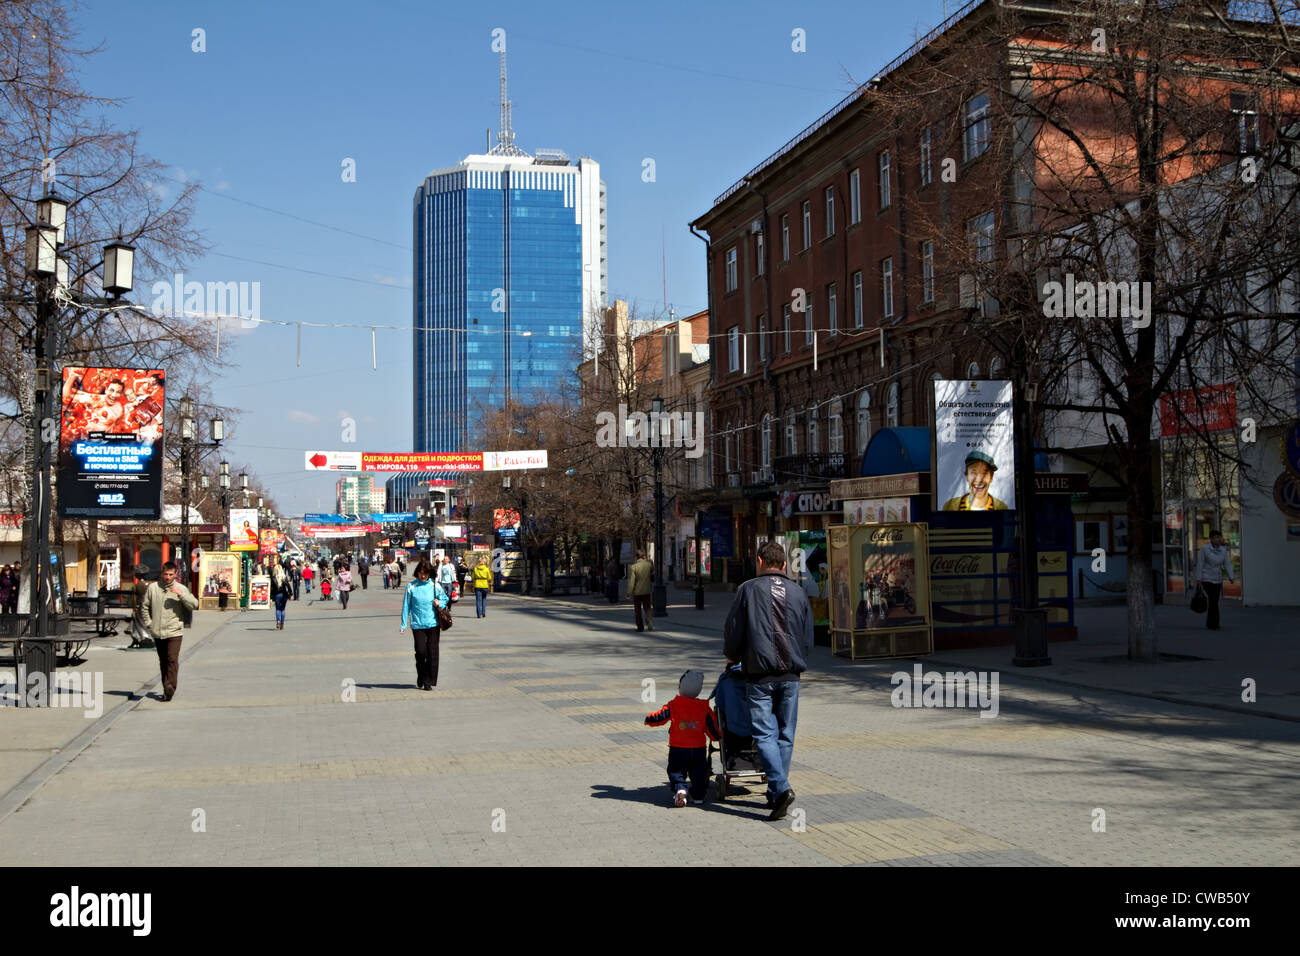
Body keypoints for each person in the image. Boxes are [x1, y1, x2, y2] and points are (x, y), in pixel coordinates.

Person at [723, 539, 814, 821]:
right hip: (791, 676)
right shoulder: (798, 592)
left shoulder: (747, 590)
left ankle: (780, 789)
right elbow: (808, 636)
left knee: (764, 734)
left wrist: (732, 657)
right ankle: (776, 791)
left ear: (760, 562)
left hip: (759, 675)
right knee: (786, 734)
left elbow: (734, 631)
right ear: (784, 564)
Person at [644, 670, 719, 807]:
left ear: (681, 687)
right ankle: (698, 796)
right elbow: (712, 727)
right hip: (698, 749)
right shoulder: (704, 707)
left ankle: (680, 789)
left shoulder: (674, 704)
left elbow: (660, 716)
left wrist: (649, 719)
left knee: (676, 770)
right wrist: (717, 736)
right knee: (698, 773)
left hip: (678, 747)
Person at [144, 561, 199, 702]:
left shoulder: (181, 588)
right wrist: (149, 624)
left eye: (171, 574)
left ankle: (170, 687)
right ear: (162, 573)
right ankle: (166, 688)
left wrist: (181, 595)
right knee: (163, 661)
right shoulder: (153, 588)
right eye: (165, 574)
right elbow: (144, 607)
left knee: (172, 659)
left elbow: (194, 605)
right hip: (157, 631)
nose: (168, 577)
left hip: (175, 631)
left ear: (175, 574)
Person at [400, 558, 449, 691]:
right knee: (421, 652)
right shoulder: (411, 586)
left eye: (426, 573)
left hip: (433, 624)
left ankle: (428, 681)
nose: (423, 576)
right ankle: (421, 674)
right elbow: (406, 606)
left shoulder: (435, 585)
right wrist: (403, 624)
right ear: (417, 572)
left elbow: (445, 598)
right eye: (421, 573)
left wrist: (440, 603)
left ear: (429, 573)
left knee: (432, 653)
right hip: (417, 625)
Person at [1195, 529, 1235, 631]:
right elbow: (1200, 563)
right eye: (1216, 537)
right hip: (1206, 578)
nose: (1219, 539)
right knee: (1213, 600)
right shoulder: (1205, 549)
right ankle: (1213, 624)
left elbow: (1227, 563)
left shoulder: (1223, 550)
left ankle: (1211, 623)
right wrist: (1198, 578)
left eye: (1219, 537)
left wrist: (1231, 576)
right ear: (1211, 539)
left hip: (1217, 579)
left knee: (1214, 601)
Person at [941, 451, 1008, 511]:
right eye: (974, 472)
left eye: (984, 473)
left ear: (991, 477)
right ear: (967, 476)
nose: (979, 480)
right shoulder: (950, 507)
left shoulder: (1001, 507)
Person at [628, 550, 654, 631]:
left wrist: (629, 592)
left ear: (636, 557)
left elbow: (632, 581)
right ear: (643, 556)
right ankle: (649, 621)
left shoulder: (634, 567)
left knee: (638, 610)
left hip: (637, 592)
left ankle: (640, 627)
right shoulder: (649, 565)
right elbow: (652, 574)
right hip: (647, 591)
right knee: (647, 608)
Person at [130, 563, 152, 647]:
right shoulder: (149, 585)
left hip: (139, 606)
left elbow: (134, 599)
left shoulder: (136, 586)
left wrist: (134, 608)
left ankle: (140, 638)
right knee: (146, 622)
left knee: (138, 623)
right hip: (148, 605)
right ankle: (147, 638)